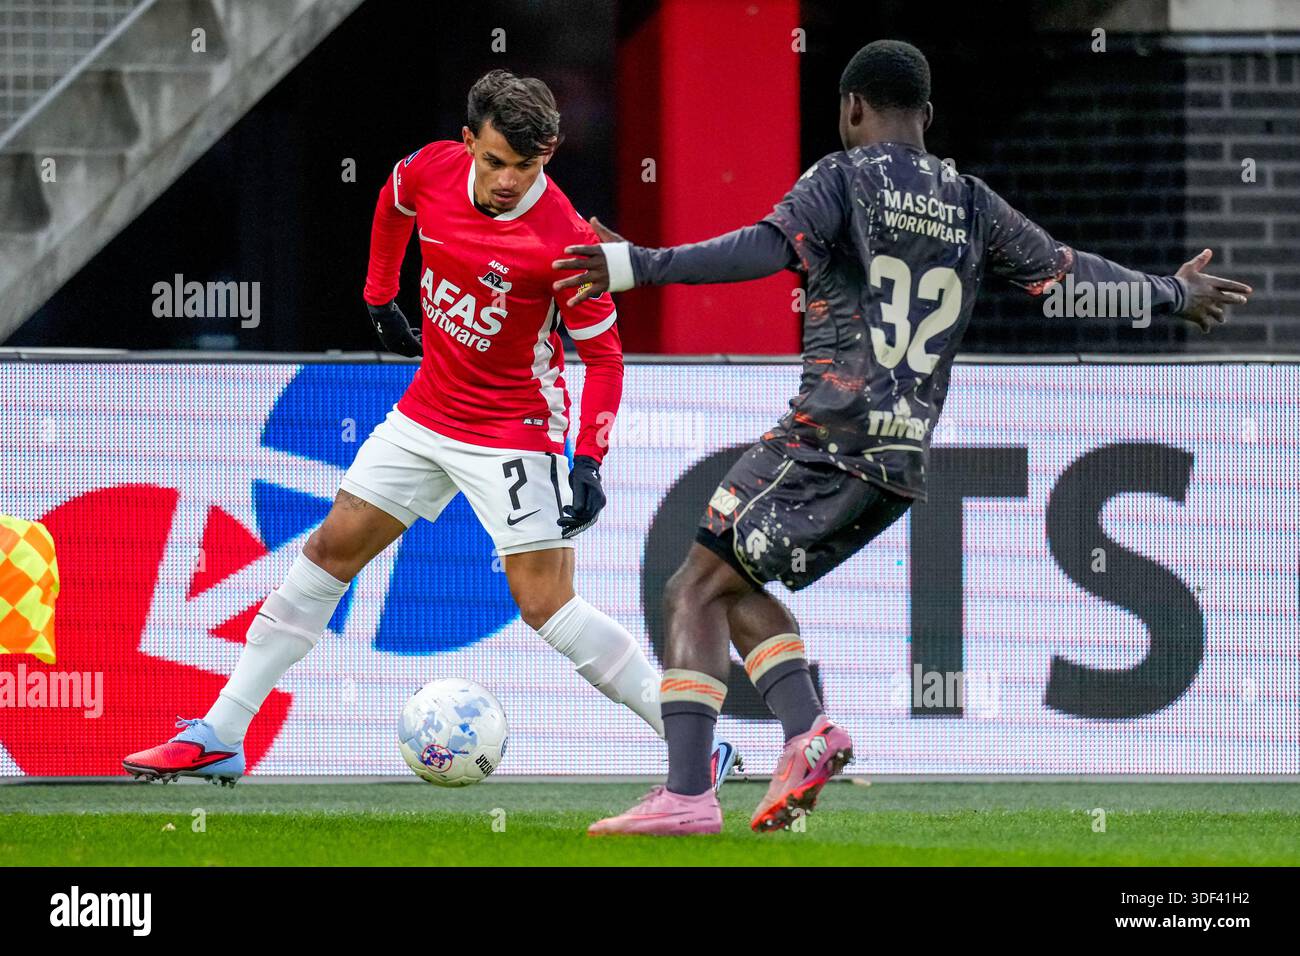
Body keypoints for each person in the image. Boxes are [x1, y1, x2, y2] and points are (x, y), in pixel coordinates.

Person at [557, 41, 1252, 835]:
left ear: (852, 107)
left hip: (826, 432)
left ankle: (687, 795)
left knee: (691, 586)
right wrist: (1169, 291)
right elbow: (1066, 279)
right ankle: (807, 733)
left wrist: (642, 264)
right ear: (925, 115)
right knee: (730, 582)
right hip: (901, 458)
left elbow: (763, 246)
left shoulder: (842, 177)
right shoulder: (972, 202)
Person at [123, 70, 739, 790]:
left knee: (545, 603)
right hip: (425, 412)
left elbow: (602, 356)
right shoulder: (431, 168)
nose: (509, 181)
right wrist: (379, 294)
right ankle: (222, 734)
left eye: (528, 167)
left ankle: (695, 746)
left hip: (514, 429)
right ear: (468, 140)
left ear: (550, 155)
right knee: (328, 551)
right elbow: (393, 203)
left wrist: (589, 460)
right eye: (496, 162)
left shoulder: (566, 243)